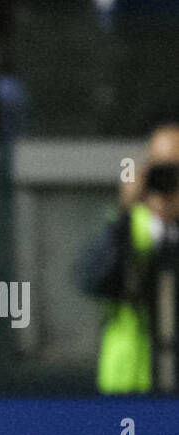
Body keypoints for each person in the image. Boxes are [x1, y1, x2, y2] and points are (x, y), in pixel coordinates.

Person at [77, 123, 179, 394]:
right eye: (161, 172)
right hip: (129, 390)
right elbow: (89, 278)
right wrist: (126, 209)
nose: (169, 184)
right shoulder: (126, 229)